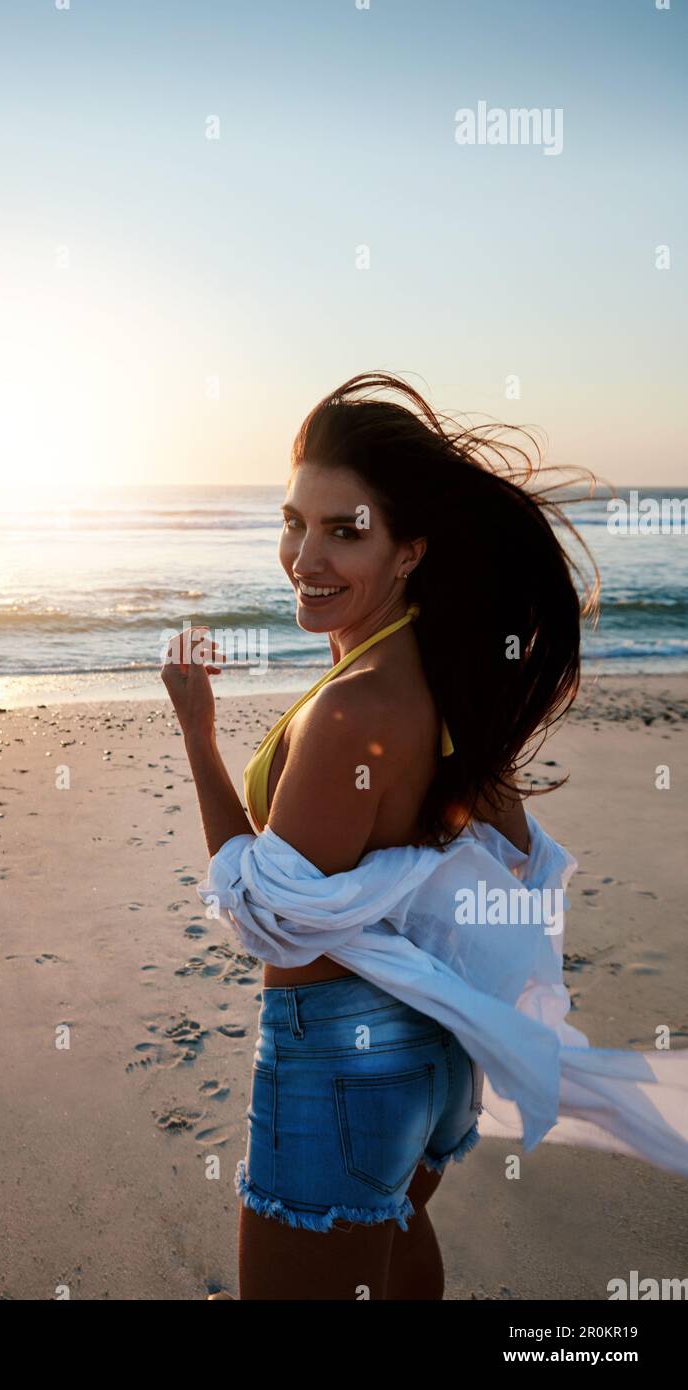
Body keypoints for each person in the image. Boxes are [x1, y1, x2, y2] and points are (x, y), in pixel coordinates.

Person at [161, 372, 597, 1299]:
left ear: (408, 553)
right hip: (429, 1056)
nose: (303, 555)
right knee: (398, 1244)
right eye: (293, 522)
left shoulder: (355, 709)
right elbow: (494, 841)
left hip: (336, 1060)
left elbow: (269, 918)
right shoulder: (437, 677)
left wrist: (198, 736)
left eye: (343, 531)